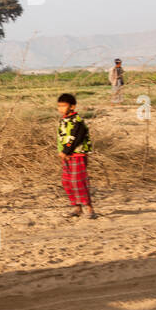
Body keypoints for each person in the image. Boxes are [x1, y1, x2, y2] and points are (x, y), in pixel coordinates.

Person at [56, 92, 97, 220]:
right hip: (67, 155)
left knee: (78, 181)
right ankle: (77, 207)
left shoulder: (77, 121)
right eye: (59, 106)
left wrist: (67, 151)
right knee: (67, 182)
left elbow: (76, 138)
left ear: (72, 107)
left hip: (78, 154)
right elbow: (60, 138)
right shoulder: (63, 120)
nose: (61, 109)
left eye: (63, 106)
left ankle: (89, 208)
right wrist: (62, 152)